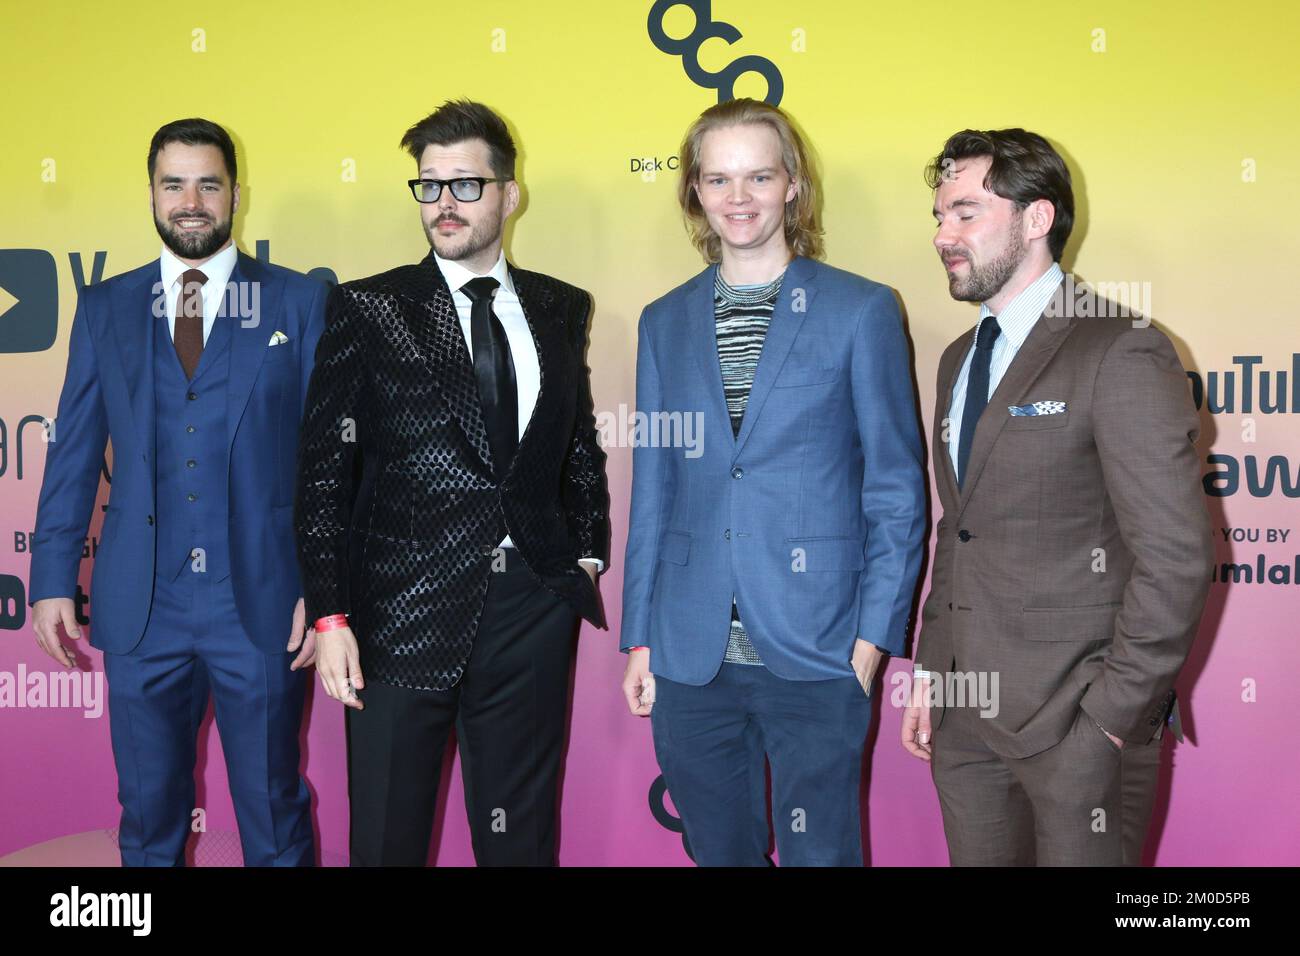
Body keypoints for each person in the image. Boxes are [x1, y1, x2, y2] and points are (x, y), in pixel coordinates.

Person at [295, 99, 609, 866]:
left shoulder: (561, 306)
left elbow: (576, 447)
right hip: (397, 610)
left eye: (466, 185)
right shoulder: (369, 306)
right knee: (386, 841)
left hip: (530, 607)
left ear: (510, 193)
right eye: (429, 186)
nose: (444, 204)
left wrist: (587, 552)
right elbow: (323, 470)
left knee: (519, 840)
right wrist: (331, 614)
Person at [620, 98, 926, 866]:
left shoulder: (861, 310)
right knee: (719, 854)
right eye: (718, 179)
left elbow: (895, 485)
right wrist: (641, 636)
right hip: (691, 654)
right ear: (694, 191)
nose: (739, 197)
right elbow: (654, 486)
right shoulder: (664, 321)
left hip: (819, 646)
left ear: (793, 184)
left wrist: (872, 639)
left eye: (759, 174)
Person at [903, 128, 1213, 865]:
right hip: (965, 718)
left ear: (1036, 219)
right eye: (940, 214)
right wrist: (930, 667)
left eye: (967, 212)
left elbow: (1173, 557)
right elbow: (960, 530)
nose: (945, 234)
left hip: (1077, 723)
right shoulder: (958, 358)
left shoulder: (1119, 346)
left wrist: (1110, 719)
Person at [29, 117, 325, 866]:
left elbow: (332, 462)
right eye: (174, 183)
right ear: (153, 193)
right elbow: (72, 453)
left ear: (236, 193)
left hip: (261, 603)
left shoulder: (298, 302)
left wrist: (324, 586)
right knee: (148, 819)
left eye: (208, 183)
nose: (191, 200)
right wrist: (52, 579)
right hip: (141, 606)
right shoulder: (105, 308)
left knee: (274, 810)